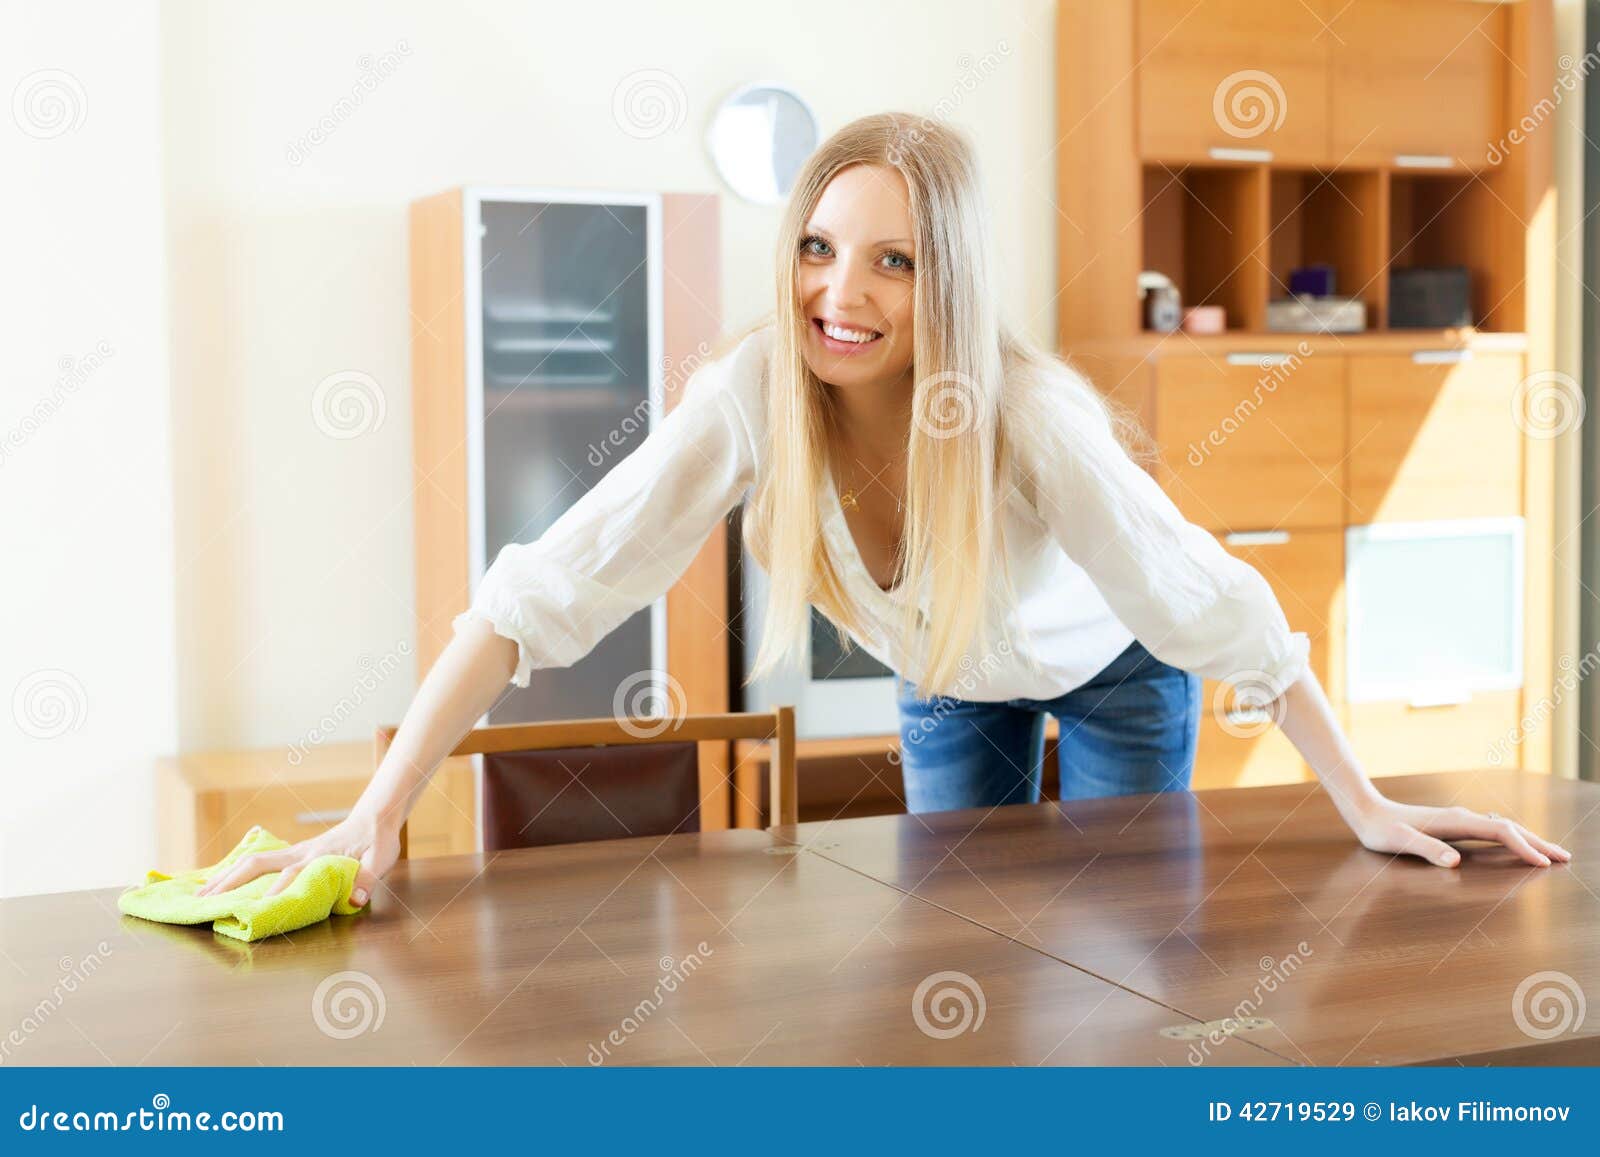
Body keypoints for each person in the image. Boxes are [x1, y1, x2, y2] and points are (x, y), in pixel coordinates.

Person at [199, 113, 1569, 906]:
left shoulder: (1029, 425)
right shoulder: (751, 394)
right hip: (947, 680)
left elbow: (1220, 609)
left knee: (1117, 963)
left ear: (950, 281)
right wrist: (378, 809)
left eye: (892, 261)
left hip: (1113, 676)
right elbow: (539, 592)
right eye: (817, 246)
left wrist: (1370, 801)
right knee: (956, 959)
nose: (838, 294)